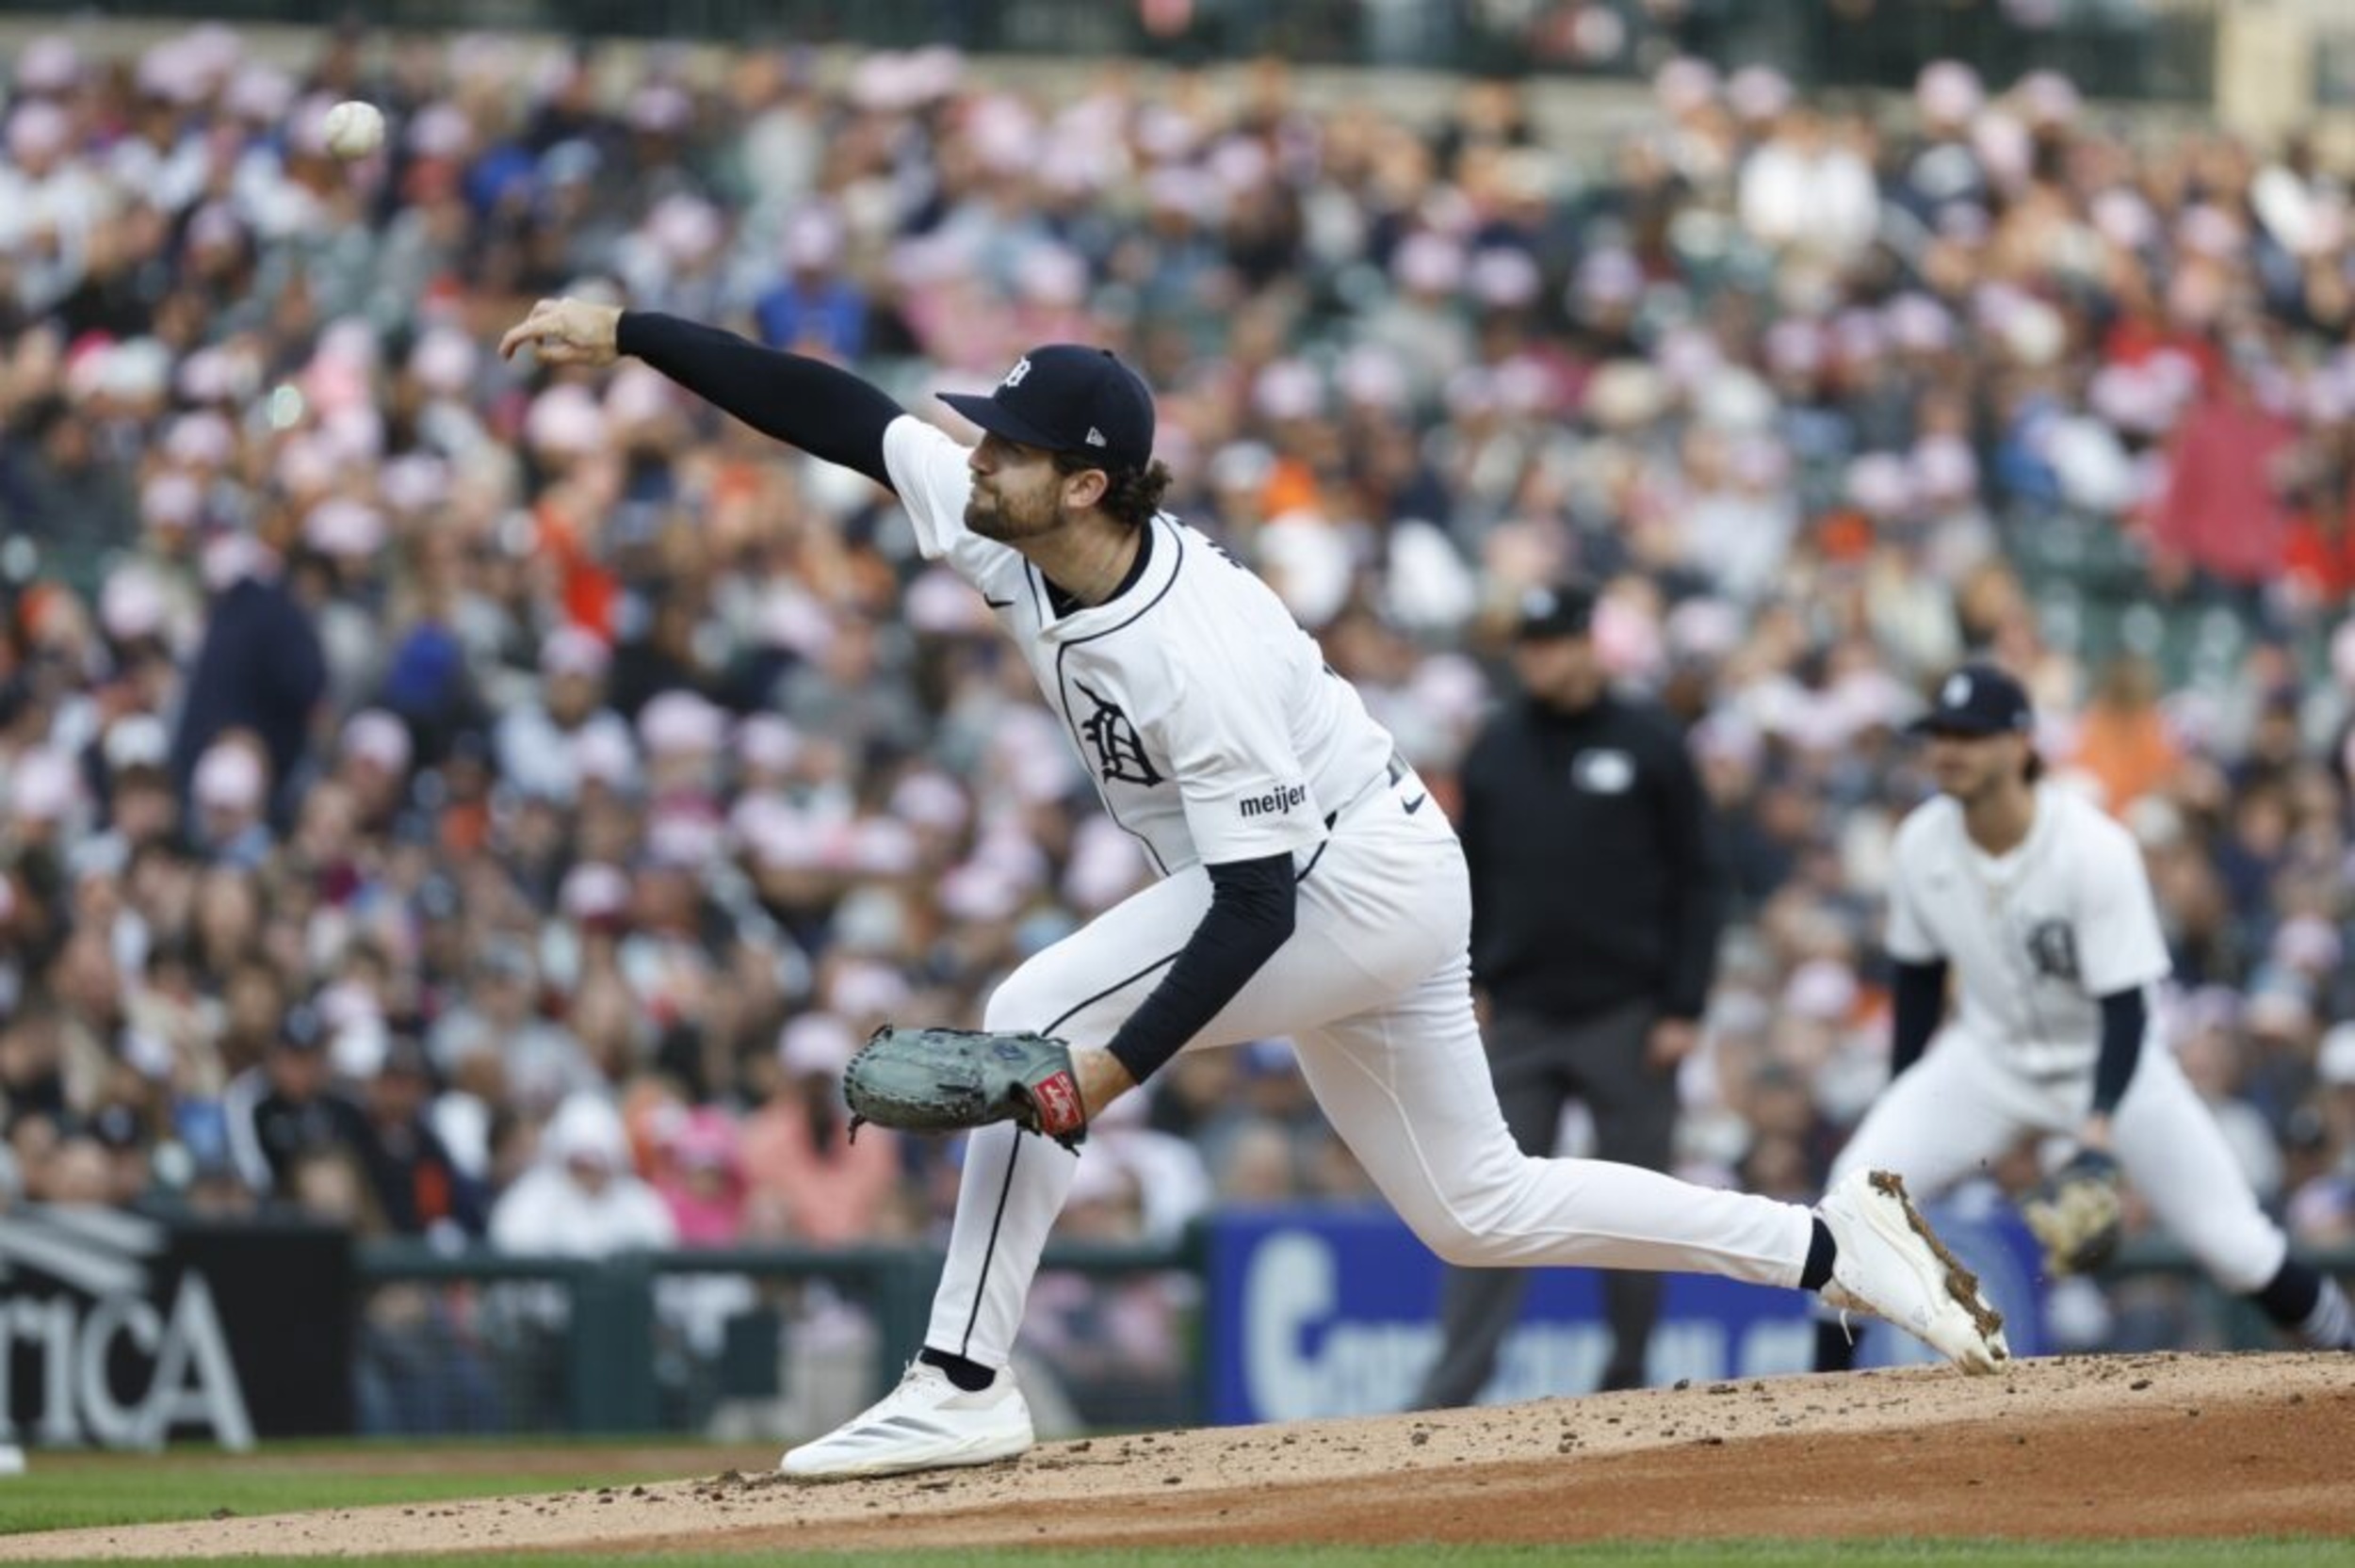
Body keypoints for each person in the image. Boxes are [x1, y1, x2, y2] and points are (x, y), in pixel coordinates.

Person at [500, 297, 2010, 1481]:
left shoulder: (1187, 646)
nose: (974, 455)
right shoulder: (1011, 524)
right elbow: (835, 410)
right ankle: (1832, 1246)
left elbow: (1255, 911)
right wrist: (630, 331)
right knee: (1480, 1210)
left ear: (1085, 480)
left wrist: (1102, 1073)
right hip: (1377, 863)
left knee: (1034, 1011)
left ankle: (959, 1381)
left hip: (1344, 879)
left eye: (1007, 444)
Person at [1813, 663, 2355, 1373]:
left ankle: (2344, 1344)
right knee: (1851, 1197)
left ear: (2018, 746)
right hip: (1987, 1057)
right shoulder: (1921, 841)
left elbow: (2126, 1008)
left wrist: (2096, 1131)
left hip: (2113, 1063)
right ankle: (1814, 1402)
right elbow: (1916, 982)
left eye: (1968, 735)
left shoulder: (2092, 847)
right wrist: (1905, 1092)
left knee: (2237, 1246)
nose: (1947, 749)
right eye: (1939, 733)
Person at [1413, 579, 1728, 1406]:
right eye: (1530, 643)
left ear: (1590, 642)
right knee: (1486, 1205)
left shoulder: (1651, 740)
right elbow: (1462, 874)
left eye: (1553, 641)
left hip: (1628, 1014)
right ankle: (1453, 1386)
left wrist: (1684, 1005)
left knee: (1640, 1207)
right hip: (1522, 1012)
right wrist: (1469, 978)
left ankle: (1628, 1373)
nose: (1540, 657)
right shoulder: (1497, 745)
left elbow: (1701, 879)